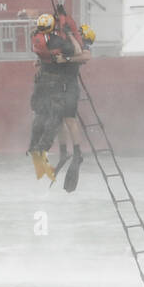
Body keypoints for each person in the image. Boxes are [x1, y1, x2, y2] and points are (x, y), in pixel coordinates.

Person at [28, 10, 92, 191]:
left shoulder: (82, 43)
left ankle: (77, 152)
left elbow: (84, 56)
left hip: (70, 85)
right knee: (60, 121)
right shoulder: (63, 40)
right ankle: (64, 152)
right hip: (61, 84)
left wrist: (67, 57)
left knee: (70, 120)